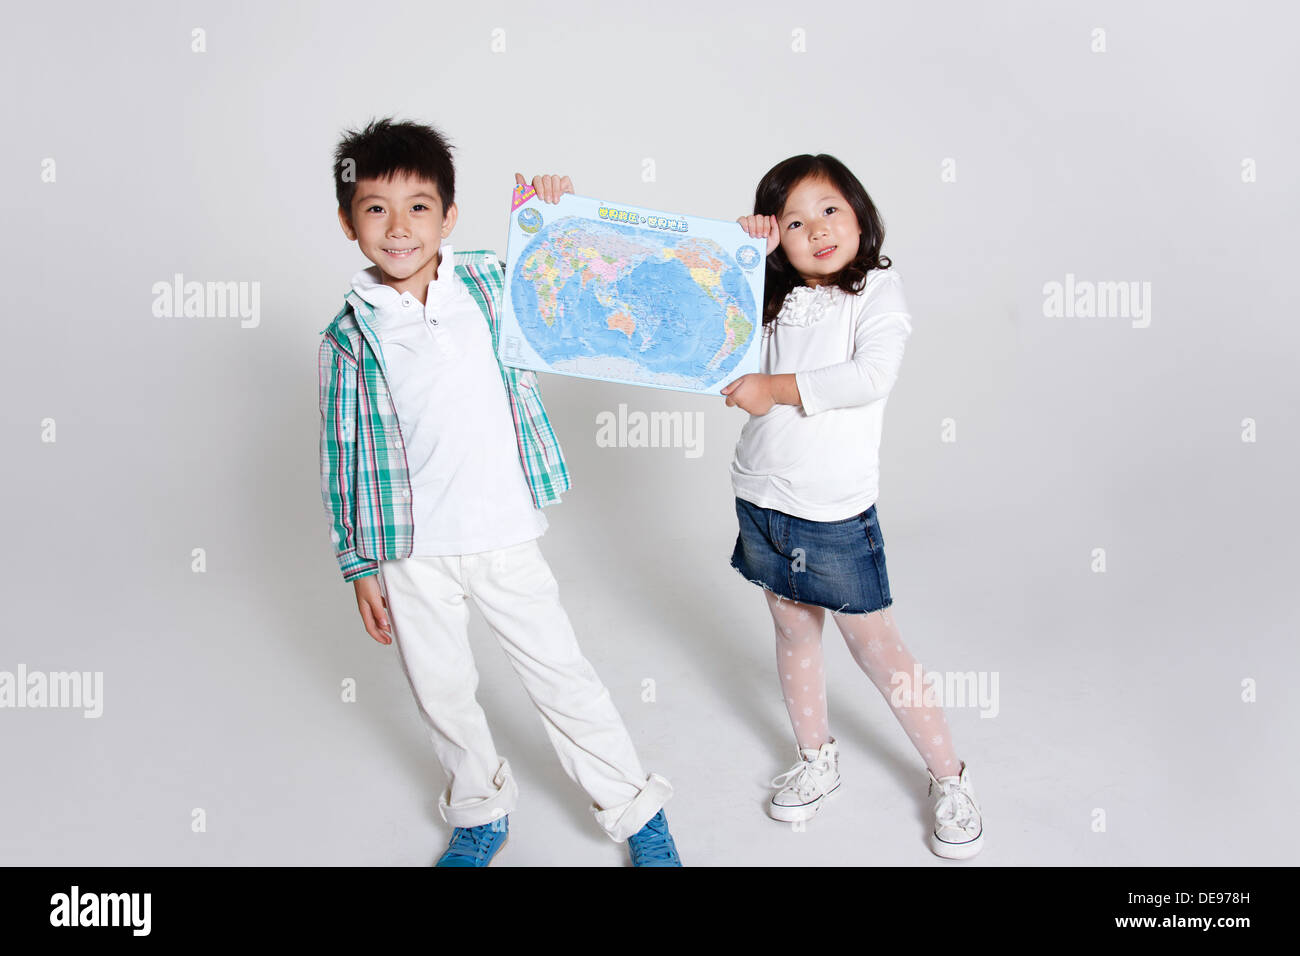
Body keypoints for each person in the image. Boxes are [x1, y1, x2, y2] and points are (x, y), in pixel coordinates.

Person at [318, 117, 680, 867]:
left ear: (449, 216)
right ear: (349, 223)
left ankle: (634, 808)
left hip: (503, 533)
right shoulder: (348, 338)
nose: (399, 226)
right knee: (441, 693)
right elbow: (339, 458)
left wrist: (555, 215)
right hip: (409, 553)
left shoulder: (485, 281)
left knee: (562, 676)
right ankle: (479, 810)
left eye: (419, 206)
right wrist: (358, 566)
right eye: (375, 208)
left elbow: (571, 284)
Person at [722, 153, 984, 859]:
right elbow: (725, 358)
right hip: (762, 497)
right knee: (793, 634)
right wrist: (745, 263)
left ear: (861, 214)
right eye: (795, 222)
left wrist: (772, 389)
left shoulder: (877, 289)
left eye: (830, 209)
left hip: (833, 510)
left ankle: (949, 777)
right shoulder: (770, 295)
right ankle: (817, 756)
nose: (818, 229)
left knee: (877, 648)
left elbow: (869, 376)